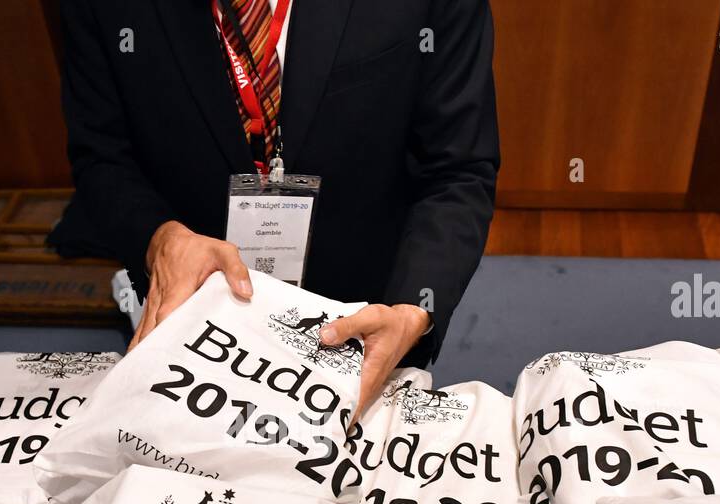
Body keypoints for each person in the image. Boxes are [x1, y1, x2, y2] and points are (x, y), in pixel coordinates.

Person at [52, 0, 499, 409]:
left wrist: (412, 307)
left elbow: (457, 168)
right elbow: (102, 157)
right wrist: (157, 239)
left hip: (366, 323)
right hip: (189, 323)